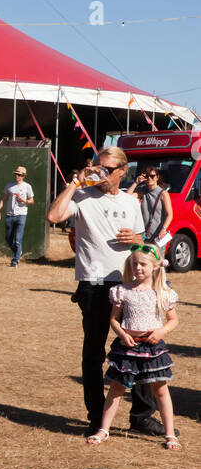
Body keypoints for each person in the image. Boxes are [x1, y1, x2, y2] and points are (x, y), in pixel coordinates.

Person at [46, 146, 163, 435]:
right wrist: (75, 181)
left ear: (123, 171)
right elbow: (53, 216)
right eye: (99, 167)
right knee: (93, 353)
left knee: (141, 350)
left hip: (129, 286)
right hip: (95, 287)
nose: (101, 173)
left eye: (108, 169)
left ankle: (141, 416)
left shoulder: (130, 202)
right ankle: (96, 417)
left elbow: (141, 248)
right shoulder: (83, 196)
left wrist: (139, 238)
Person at [86, 245, 179, 450]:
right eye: (134, 263)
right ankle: (104, 429)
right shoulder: (122, 291)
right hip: (127, 347)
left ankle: (170, 434)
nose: (138, 267)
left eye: (143, 264)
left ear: (155, 266)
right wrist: (122, 334)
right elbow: (114, 319)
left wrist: (161, 332)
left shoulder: (163, 292)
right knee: (116, 389)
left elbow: (173, 320)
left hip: (153, 347)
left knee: (161, 390)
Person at [0, 165, 34, 267]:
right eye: (16, 174)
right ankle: (18, 251)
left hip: (21, 215)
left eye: (19, 175)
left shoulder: (27, 186)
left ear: (23, 176)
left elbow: (32, 200)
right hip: (10, 215)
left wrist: (24, 200)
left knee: (17, 239)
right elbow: (3, 199)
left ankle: (15, 261)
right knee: (8, 238)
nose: (17, 176)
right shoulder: (9, 185)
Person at [127, 168, 173, 246]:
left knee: (157, 257)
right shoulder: (142, 192)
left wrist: (163, 229)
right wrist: (136, 182)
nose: (149, 178)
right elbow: (126, 197)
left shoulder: (163, 193)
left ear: (157, 177)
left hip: (158, 236)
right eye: (147, 176)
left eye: (152, 176)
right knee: (142, 257)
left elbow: (170, 214)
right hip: (143, 235)